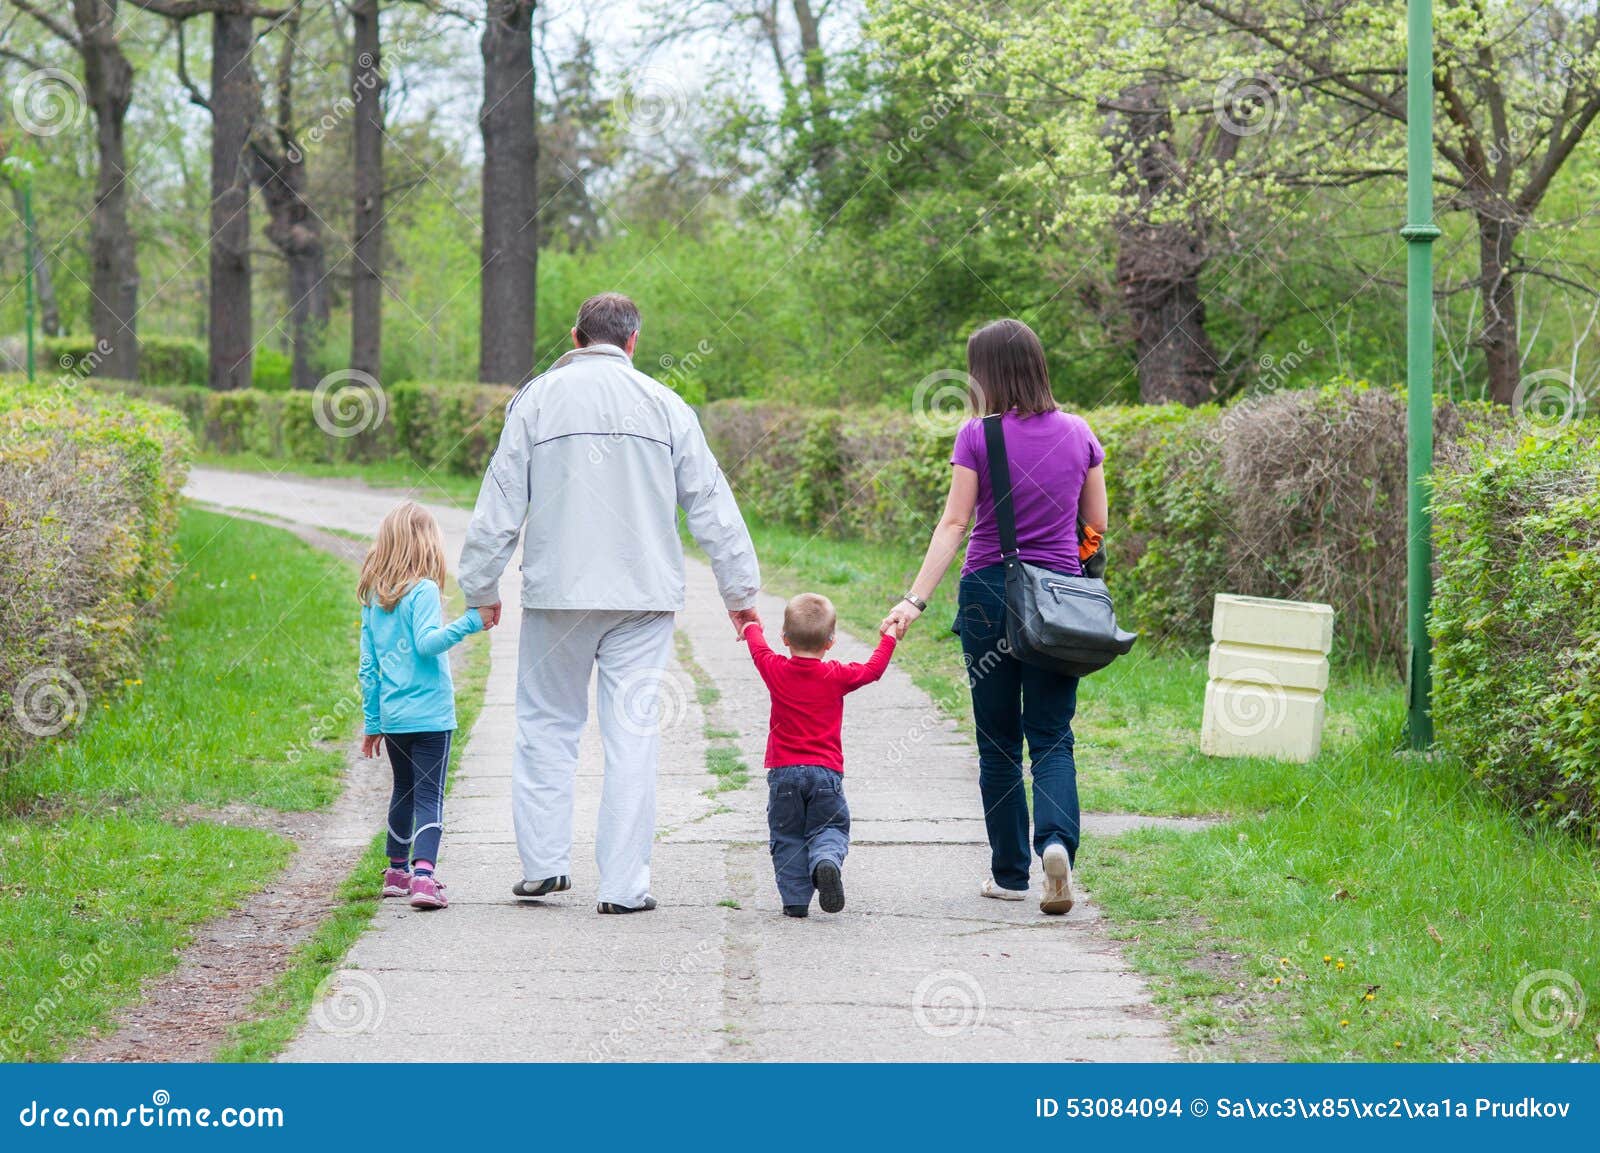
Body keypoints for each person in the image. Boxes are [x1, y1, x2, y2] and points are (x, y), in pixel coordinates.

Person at [458, 292, 761, 915]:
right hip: (642, 597)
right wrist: (741, 594)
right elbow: (710, 504)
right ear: (632, 342)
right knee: (633, 735)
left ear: (575, 337)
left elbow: (501, 500)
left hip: (558, 596)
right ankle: (625, 887)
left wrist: (480, 587)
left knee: (545, 727)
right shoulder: (665, 405)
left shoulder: (536, 400)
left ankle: (543, 866)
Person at [881, 319, 1107, 915]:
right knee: (1054, 736)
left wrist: (915, 599)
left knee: (999, 742)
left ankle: (1010, 874)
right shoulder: (1081, 433)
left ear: (984, 374)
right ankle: (1056, 844)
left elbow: (955, 524)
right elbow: (1097, 524)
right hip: (1058, 597)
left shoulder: (976, 436)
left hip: (988, 595)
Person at [358, 502, 491, 911]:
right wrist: (473, 620)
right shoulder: (424, 590)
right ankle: (424, 877)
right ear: (427, 544)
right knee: (430, 794)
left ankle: (397, 871)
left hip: (396, 718)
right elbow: (427, 642)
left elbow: (369, 667)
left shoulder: (375, 598)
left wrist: (373, 721)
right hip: (431, 715)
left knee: (403, 790)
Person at [742, 593, 897, 917]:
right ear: (831, 642)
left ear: (784, 638)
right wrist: (889, 638)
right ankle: (825, 859)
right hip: (825, 774)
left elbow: (757, 649)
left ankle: (796, 902)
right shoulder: (836, 675)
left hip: (784, 774)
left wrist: (751, 624)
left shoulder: (775, 669)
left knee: (787, 835)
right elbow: (873, 670)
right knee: (829, 828)